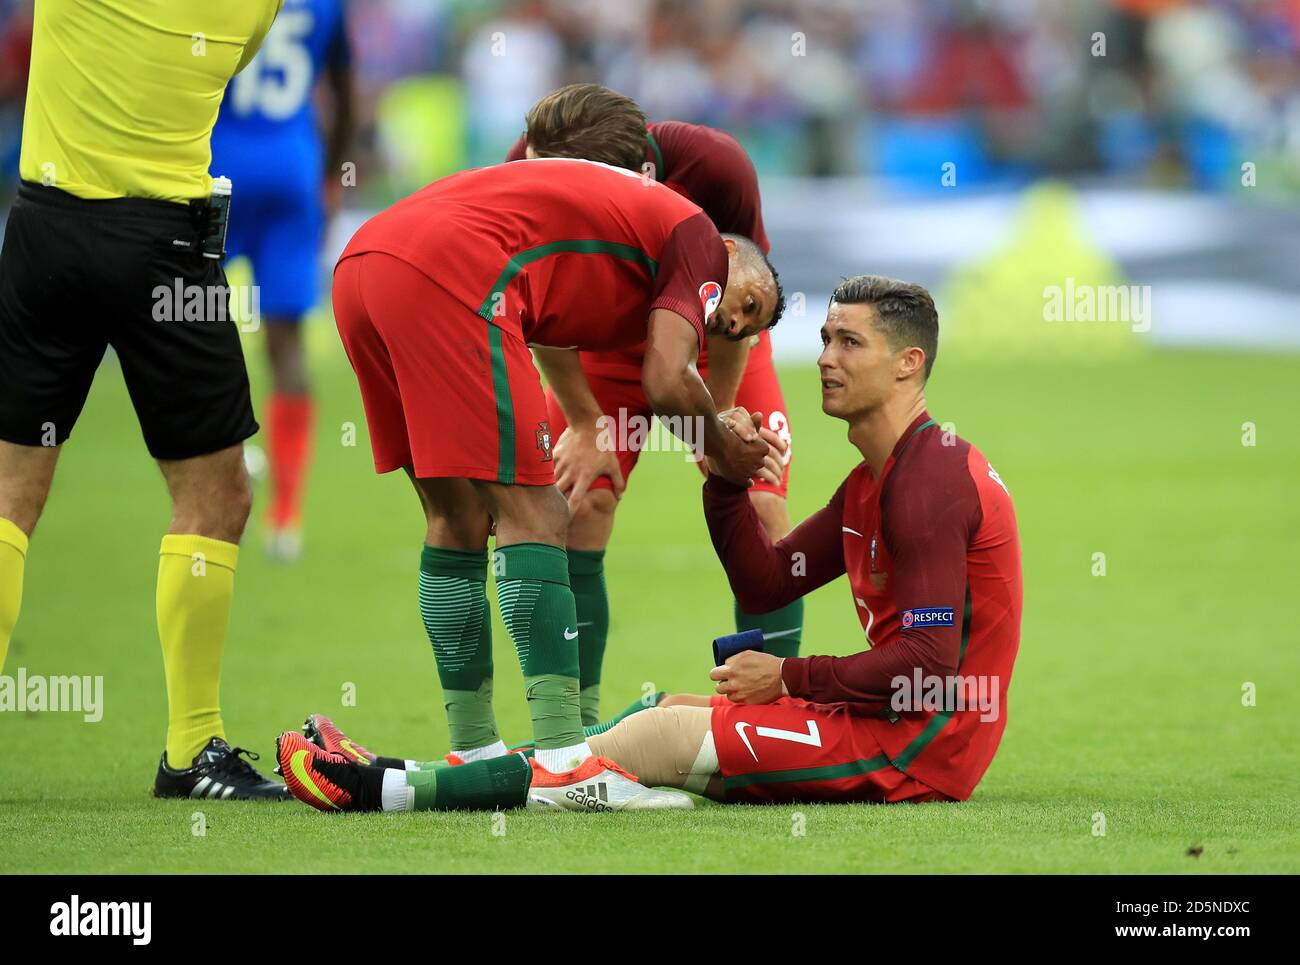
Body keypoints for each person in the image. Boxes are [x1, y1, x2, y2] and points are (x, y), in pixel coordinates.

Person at [278, 275, 1022, 811]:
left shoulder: (929, 479)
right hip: (884, 720)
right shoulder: (877, 480)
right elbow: (768, 580)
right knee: (653, 712)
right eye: (825, 337)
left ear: (908, 364)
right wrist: (726, 477)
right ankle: (403, 770)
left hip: (919, 746)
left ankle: (380, 789)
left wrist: (789, 677)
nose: (825, 356)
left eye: (849, 342)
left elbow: (930, 665)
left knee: (653, 739)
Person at [327, 153, 785, 807]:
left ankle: (476, 746)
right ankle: (568, 768)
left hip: (366, 262)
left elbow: (552, 311)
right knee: (540, 512)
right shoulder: (702, 244)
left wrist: (590, 418)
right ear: (734, 256)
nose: (734, 322)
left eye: (749, 324)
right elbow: (664, 378)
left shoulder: (616, 231)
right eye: (746, 302)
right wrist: (721, 448)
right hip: (454, 271)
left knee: (455, 516)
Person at [0, 0, 288, 799]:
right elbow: (226, 67)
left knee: (8, 497)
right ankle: (193, 748)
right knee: (216, 496)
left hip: (43, 233)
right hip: (167, 252)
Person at [503, 84, 802, 727]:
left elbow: (743, 304)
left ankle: (770, 716)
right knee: (576, 504)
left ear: (639, 171)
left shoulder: (716, 167)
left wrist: (716, 426)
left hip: (713, 329)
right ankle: (574, 735)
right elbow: (538, 313)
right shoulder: (526, 166)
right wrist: (585, 422)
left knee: (762, 502)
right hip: (603, 340)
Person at [209, 0, 355, 561]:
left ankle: (231, 454)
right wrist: (331, 176)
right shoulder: (325, 5)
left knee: (195, 317)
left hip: (217, 160)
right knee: (287, 344)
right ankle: (286, 517)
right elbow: (344, 94)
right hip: (292, 164)